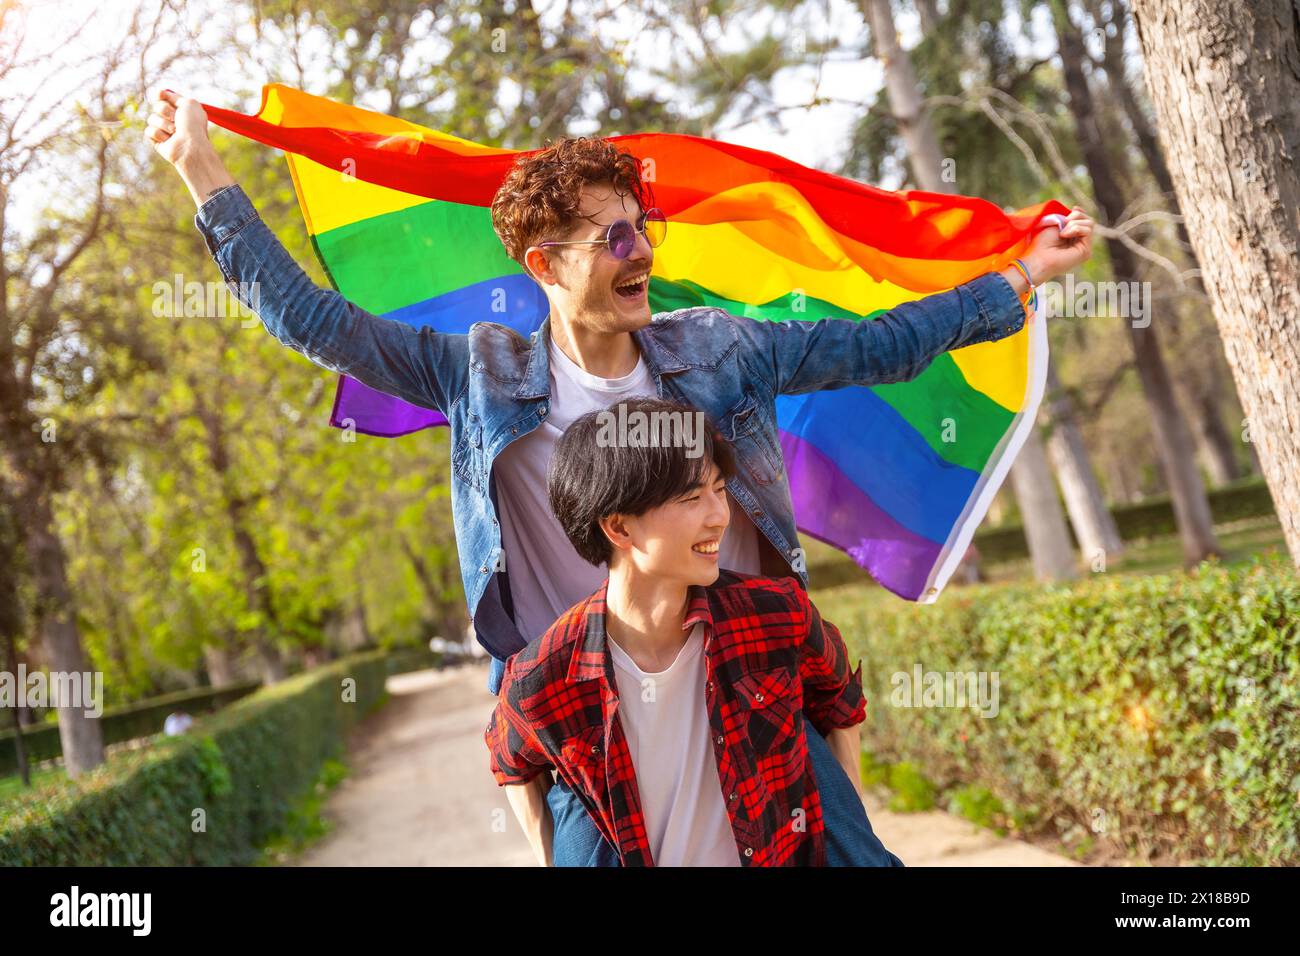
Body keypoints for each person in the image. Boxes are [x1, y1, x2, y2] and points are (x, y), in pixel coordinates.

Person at [145, 88, 1093, 863]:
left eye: (642, 229)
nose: (640, 252)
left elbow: (878, 345)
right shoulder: (476, 375)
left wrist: (1017, 280)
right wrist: (203, 170)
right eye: (612, 239)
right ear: (542, 266)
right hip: (585, 711)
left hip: (745, 683)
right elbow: (314, 321)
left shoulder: (718, 351)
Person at [486, 397, 899, 866]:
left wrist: (850, 842)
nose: (719, 515)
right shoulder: (545, 676)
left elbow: (840, 705)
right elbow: (512, 764)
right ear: (619, 527)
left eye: (719, 490)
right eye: (691, 498)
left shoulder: (774, 615)